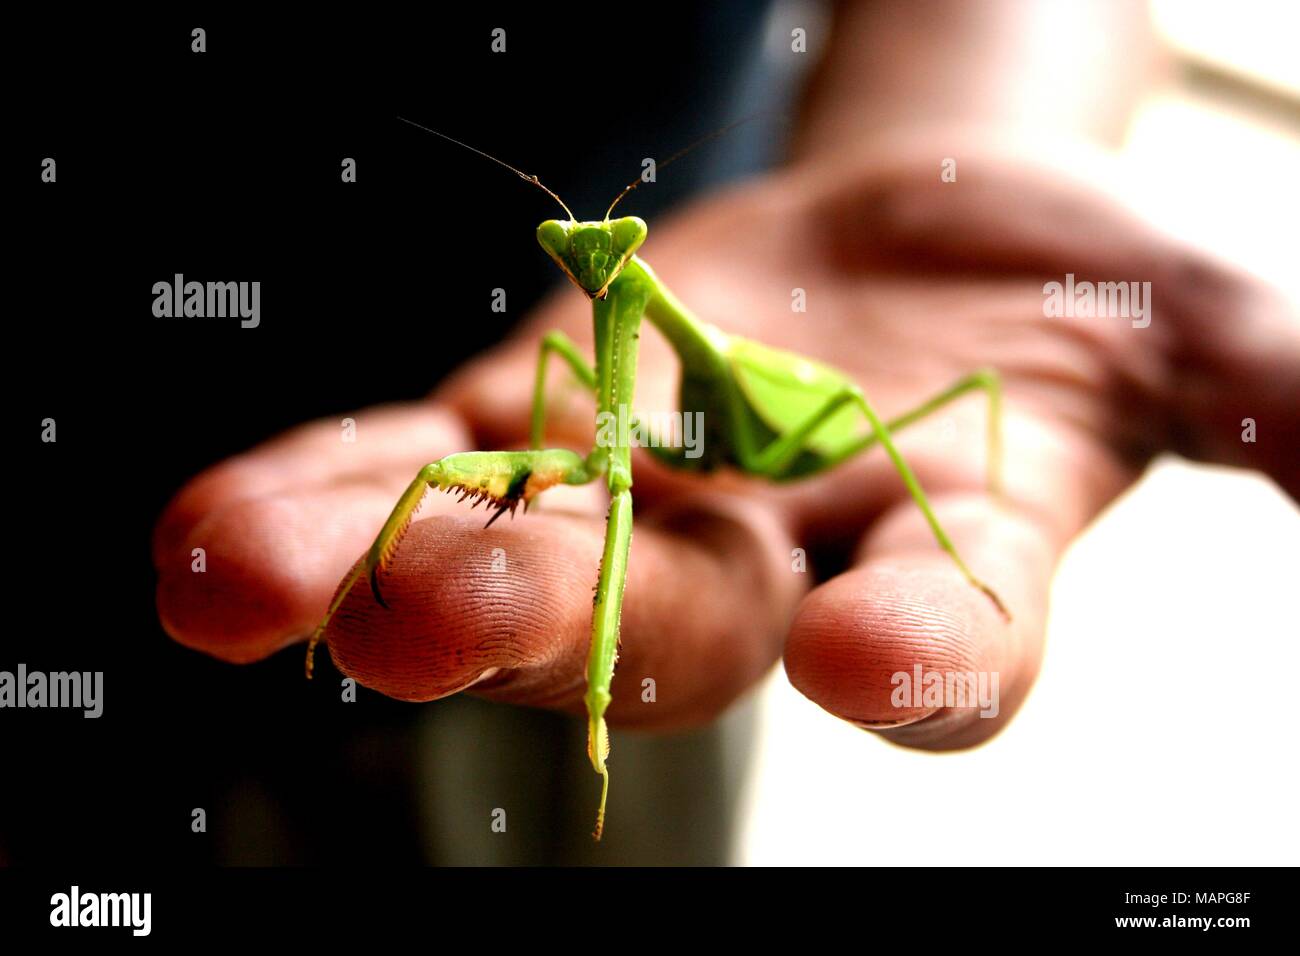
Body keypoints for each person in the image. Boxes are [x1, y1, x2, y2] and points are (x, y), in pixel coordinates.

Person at [153, 1, 1299, 862]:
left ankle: (597, 713)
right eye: (571, 255)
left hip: (784, 444)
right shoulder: (589, 330)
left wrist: (957, 133)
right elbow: (587, 408)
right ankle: (346, 625)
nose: (587, 265)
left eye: (604, 253)